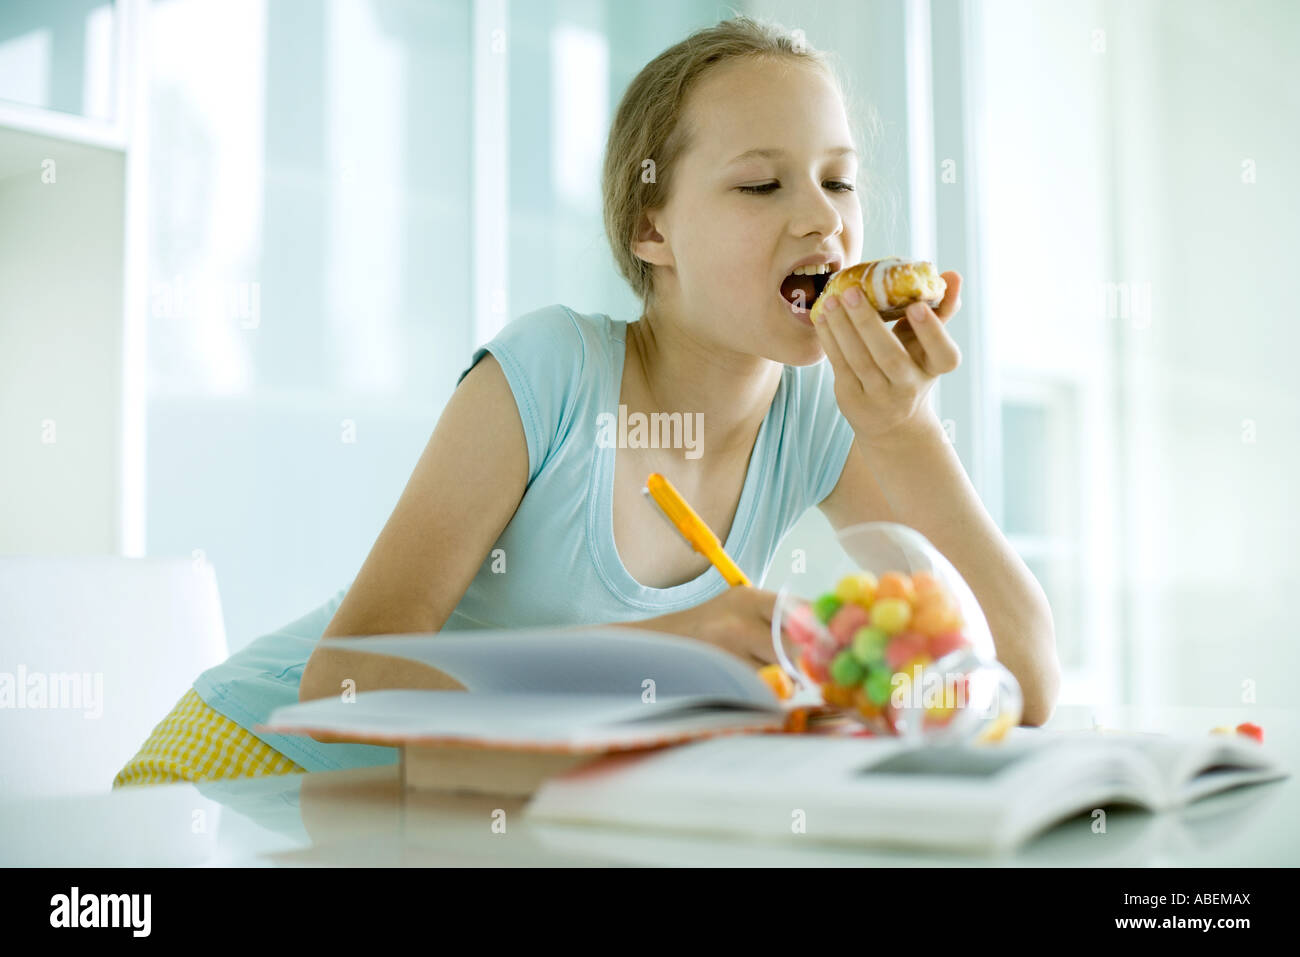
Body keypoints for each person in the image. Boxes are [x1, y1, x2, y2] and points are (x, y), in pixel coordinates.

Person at [114, 15, 1058, 789]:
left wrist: (909, 429)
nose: (822, 218)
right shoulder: (550, 370)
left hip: (441, 814)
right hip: (243, 772)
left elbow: (1024, 675)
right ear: (653, 227)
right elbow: (343, 683)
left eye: (839, 179)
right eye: (762, 183)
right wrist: (667, 648)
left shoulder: (819, 416)